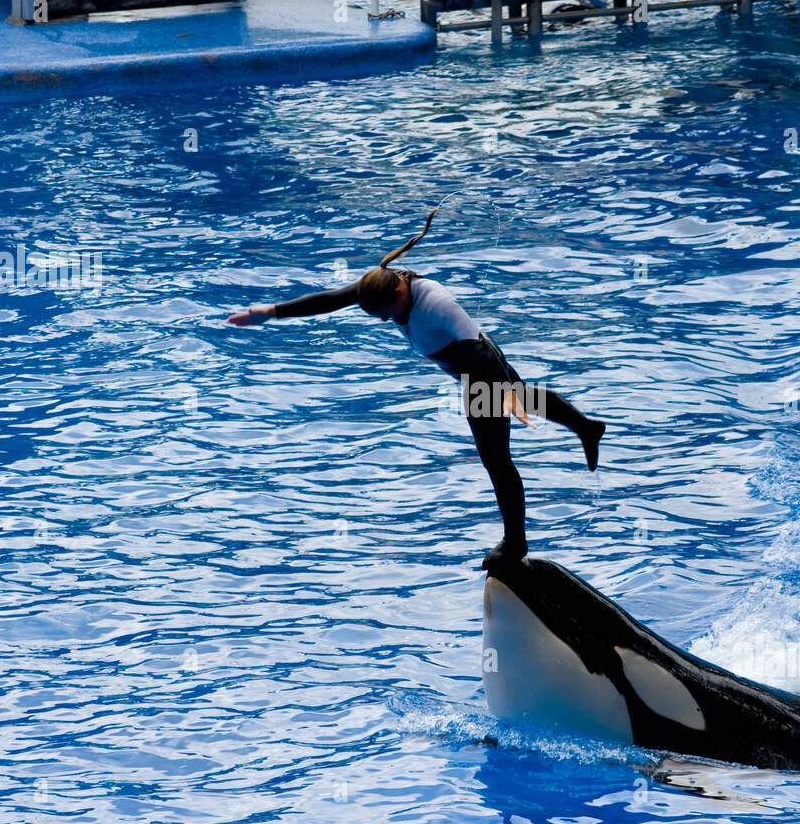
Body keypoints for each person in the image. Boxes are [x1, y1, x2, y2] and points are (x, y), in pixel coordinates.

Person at [227, 208, 605, 565]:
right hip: (471, 367)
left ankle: (515, 542)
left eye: (387, 315)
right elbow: (329, 300)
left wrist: (501, 392)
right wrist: (271, 313)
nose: (386, 321)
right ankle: (586, 428)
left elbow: (479, 348)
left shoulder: (437, 303)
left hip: (480, 372)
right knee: (524, 400)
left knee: (495, 458)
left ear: (399, 295)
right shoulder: (381, 284)